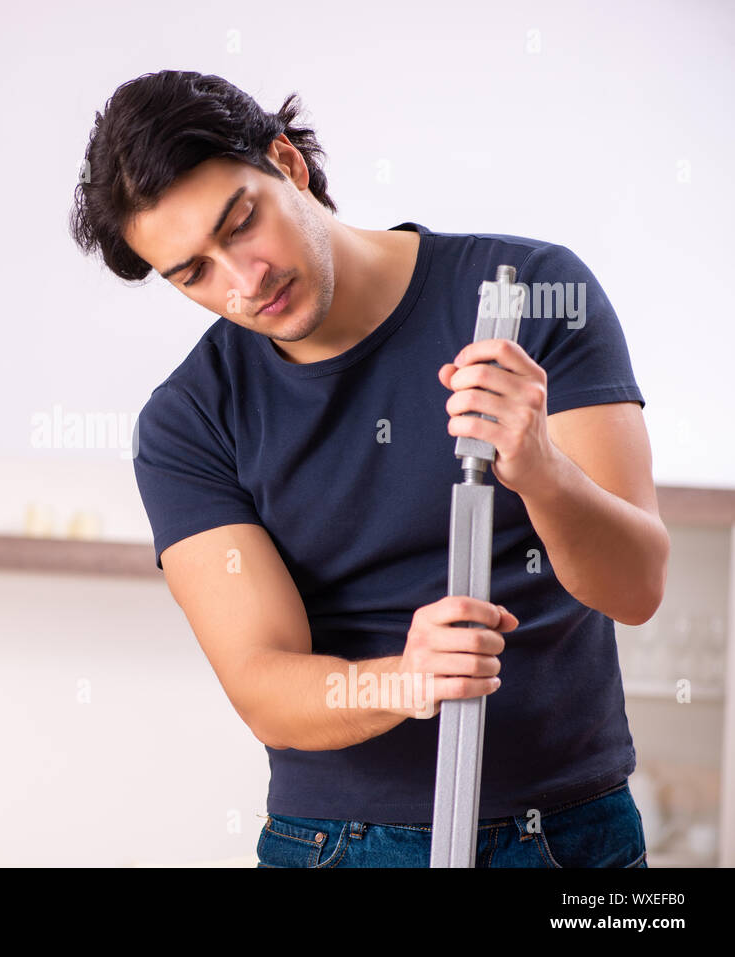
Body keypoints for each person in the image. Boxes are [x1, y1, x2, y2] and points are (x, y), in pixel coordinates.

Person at [69, 71, 668, 867]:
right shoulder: (190, 420)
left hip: (570, 833)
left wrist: (541, 468)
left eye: (242, 223)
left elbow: (636, 587)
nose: (244, 282)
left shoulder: (532, 293)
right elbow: (261, 681)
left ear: (287, 163)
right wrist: (403, 681)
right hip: (333, 844)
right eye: (195, 273)